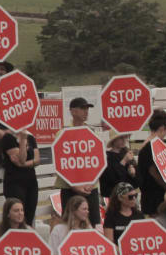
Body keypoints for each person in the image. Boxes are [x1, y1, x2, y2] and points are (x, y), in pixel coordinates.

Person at [57, 97, 101, 227]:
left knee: (94, 224)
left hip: (90, 187)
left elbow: (99, 161)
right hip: (69, 187)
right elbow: (62, 163)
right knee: (69, 225)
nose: (86, 111)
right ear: (73, 111)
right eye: (83, 108)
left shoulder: (92, 132)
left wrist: (91, 184)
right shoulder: (62, 133)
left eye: (87, 108)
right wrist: (75, 187)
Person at [0, 130, 40, 226]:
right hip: (15, 183)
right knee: (17, 219)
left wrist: (24, 164)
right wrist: (23, 140)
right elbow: (22, 158)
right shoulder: (8, 138)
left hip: (31, 182)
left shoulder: (30, 136)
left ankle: (28, 239)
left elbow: (37, 160)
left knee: (29, 217)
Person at [137, 109, 166, 219]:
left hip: (153, 192)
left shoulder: (148, 144)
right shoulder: (150, 146)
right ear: (162, 128)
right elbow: (153, 172)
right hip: (154, 193)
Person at [100, 131, 138, 201]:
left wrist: (133, 174)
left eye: (125, 137)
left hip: (128, 196)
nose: (124, 140)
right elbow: (111, 178)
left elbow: (136, 180)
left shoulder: (127, 153)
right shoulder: (106, 156)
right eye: (121, 137)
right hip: (113, 197)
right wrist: (124, 161)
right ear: (114, 140)